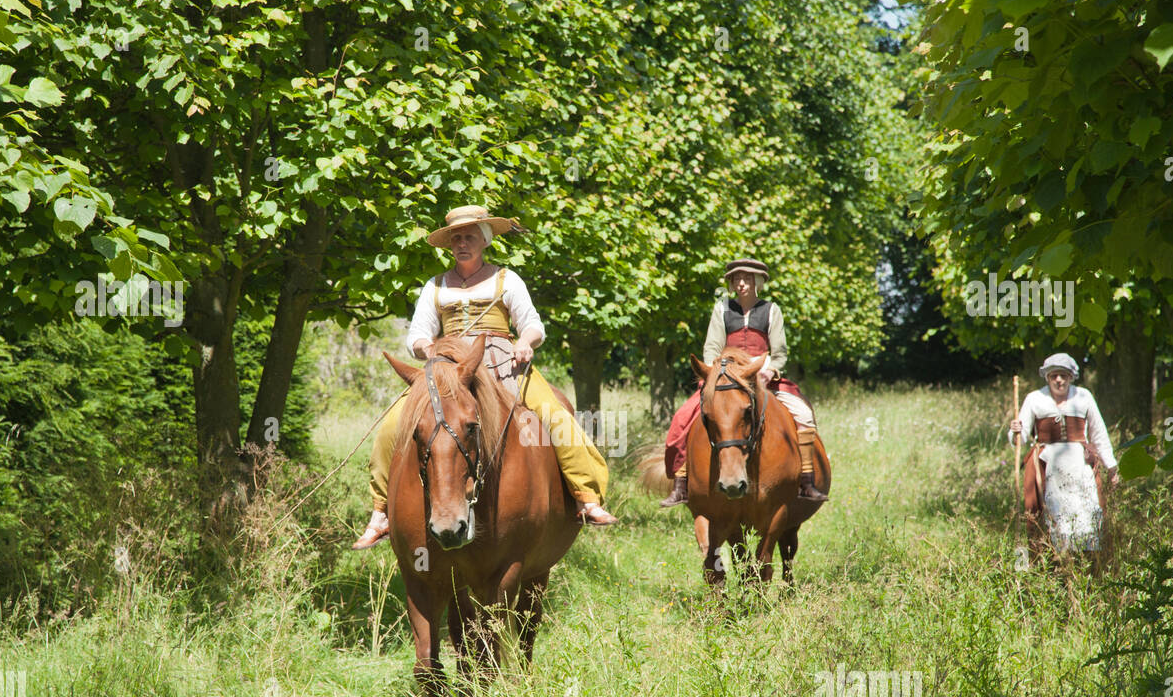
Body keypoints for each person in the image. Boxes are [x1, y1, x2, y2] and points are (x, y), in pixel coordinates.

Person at [354, 205, 617, 549]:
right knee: (393, 424)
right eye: (456, 238)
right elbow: (417, 335)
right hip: (448, 371)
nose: (462, 243)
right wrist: (426, 349)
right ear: (449, 244)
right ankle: (381, 513)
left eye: (470, 236)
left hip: (503, 362)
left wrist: (525, 342)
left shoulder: (507, 279)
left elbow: (533, 325)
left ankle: (585, 497)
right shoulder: (435, 286)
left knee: (555, 415)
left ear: (485, 239)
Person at [660, 258, 827, 506]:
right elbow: (711, 348)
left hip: (761, 377)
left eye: (747, 279)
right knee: (683, 417)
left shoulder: (772, 310)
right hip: (725, 380)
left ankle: (806, 480)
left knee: (803, 414)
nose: (741, 283)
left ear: (757, 281)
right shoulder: (722, 309)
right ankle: (681, 485)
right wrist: (714, 374)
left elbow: (780, 354)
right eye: (737, 279)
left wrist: (770, 372)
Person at [1009, 353, 1119, 556]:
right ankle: (1050, 560)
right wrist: (1016, 430)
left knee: (1084, 509)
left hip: (1080, 464)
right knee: (1047, 512)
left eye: (1063, 375)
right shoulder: (1035, 398)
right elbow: (1021, 437)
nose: (1059, 380)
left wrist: (1111, 467)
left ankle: (1086, 559)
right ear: (1047, 377)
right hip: (1046, 464)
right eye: (1054, 376)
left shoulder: (1084, 396)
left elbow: (1098, 433)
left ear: (1071, 377)